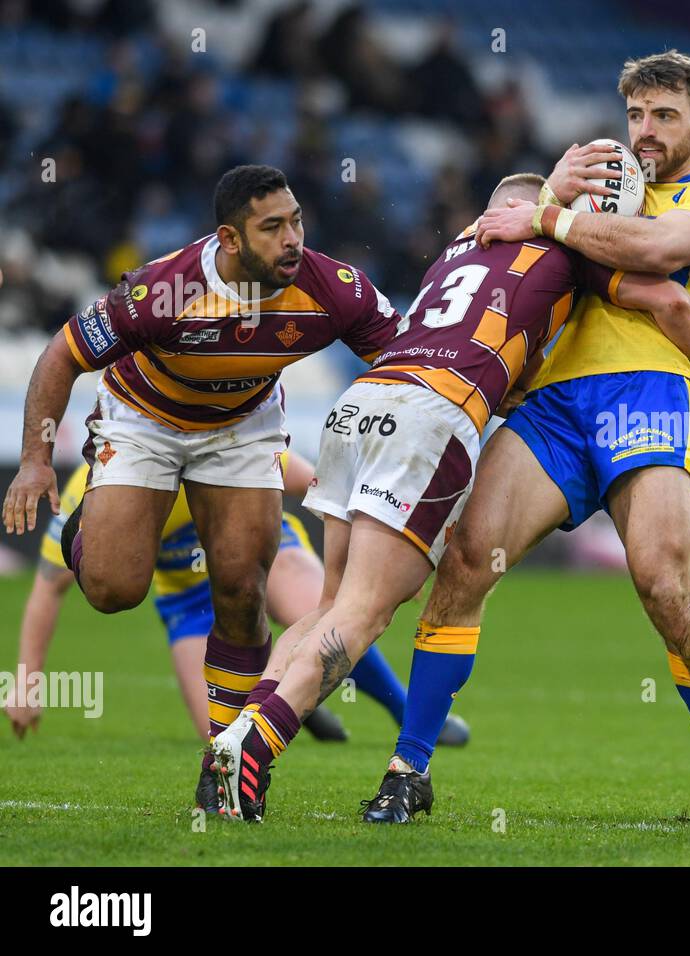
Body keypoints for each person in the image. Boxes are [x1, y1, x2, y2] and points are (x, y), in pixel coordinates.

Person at [208, 173, 690, 823]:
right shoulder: (564, 250)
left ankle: (231, 738)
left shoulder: (458, 251)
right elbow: (670, 303)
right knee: (363, 613)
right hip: (430, 417)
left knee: (330, 603)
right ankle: (257, 745)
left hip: (361, 402)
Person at [445, 50, 690, 836]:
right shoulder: (593, 191)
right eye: (635, 115)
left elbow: (662, 253)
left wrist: (551, 217)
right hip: (551, 403)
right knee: (468, 560)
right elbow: (492, 241)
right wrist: (546, 196)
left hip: (648, 394)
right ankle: (408, 768)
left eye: (665, 116)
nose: (646, 132)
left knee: (665, 586)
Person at [1, 165, 402, 806]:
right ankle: (89, 532)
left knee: (243, 588)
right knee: (111, 588)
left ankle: (227, 768)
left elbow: (404, 356)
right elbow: (63, 354)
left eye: (296, 221)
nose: (293, 239)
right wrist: (35, 461)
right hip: (145, 420)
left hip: (242, 427)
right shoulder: (164, 290)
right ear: (230, 239)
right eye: (272, 227)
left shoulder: (333, 288)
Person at [3, 453, 471, 777]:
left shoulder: (225, 445)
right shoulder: (97, 492)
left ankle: (400, 706)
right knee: (216, 734)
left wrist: (380, 564)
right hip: (188, 601)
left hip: (261, 562)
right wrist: (26, 684)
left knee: (321, 612)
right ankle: (287, 695)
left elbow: (325, 491)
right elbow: (48, 588)